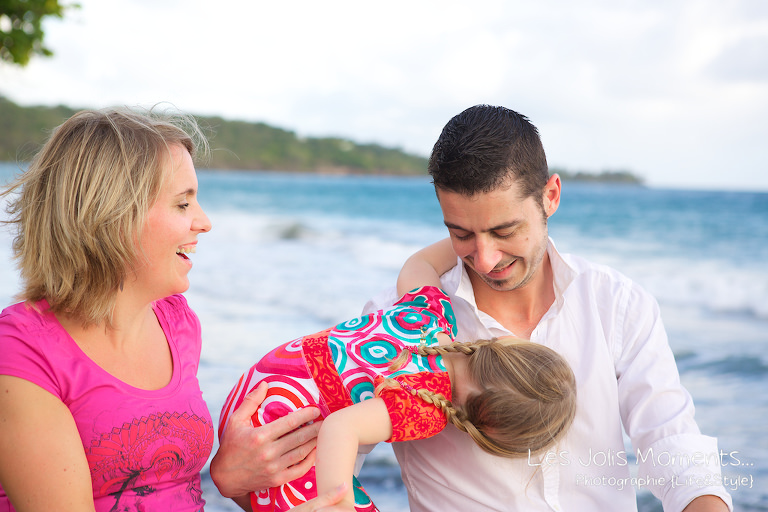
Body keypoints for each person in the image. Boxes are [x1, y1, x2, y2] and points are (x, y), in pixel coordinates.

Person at [360, 105, 734, 511]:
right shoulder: (397, 319)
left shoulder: (617, 305)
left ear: (550, 196)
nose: (484, 259)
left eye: (504, 231)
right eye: (461, 234)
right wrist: (278, 465)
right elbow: (333, 442)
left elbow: (673, 447)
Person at [0, 108, 346, 512]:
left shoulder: (176, 322)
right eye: (183, 204)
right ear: (112, 216)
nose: (204, 222)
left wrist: (229, 478)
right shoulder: (21, 352)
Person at [216, 245, 577, 511]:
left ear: (501, 344)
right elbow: (340, 428)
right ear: (486, 430)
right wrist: (337, 501)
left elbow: (419, 263)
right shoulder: (426, 405)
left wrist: (470, 246)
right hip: (272, 421)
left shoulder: (432, 315)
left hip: (265, 378)